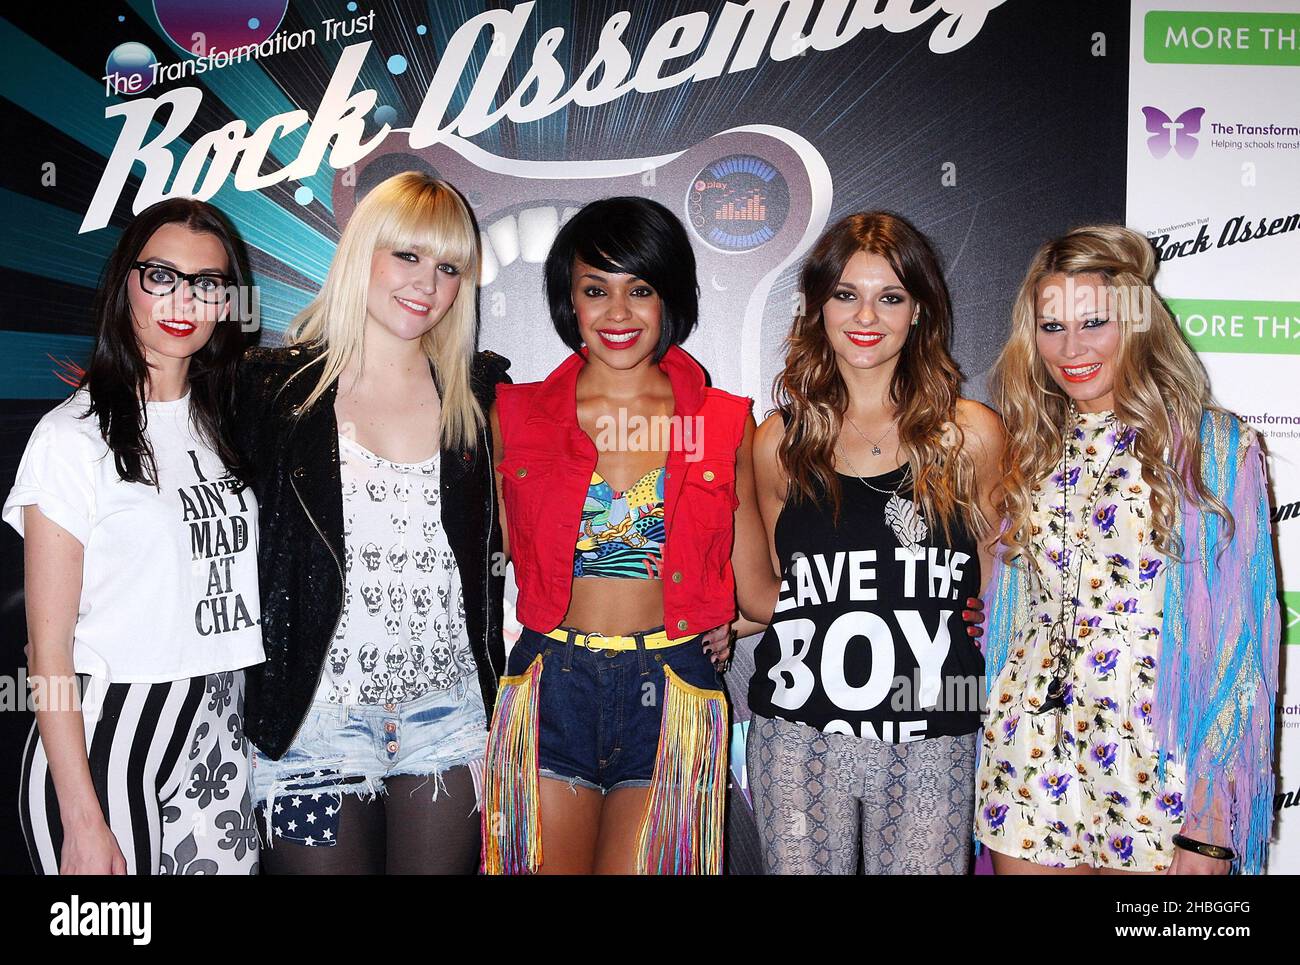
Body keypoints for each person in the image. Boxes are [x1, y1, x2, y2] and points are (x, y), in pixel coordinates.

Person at [482, 196, 778, 875]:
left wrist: (723, 619)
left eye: (639, 289)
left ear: (667, 295)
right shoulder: (515, 413)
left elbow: (759, 593)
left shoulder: (724, 421)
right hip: (551, 681)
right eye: (596, 289)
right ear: (570, 301)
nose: (618, 313)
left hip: (672, 688)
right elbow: (481, 557)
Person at [976, 224, 1279, 874]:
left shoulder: (1213, 450)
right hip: (1028, 759)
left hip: (1156, 772)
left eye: (1094, 322)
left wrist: (1208, 820)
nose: (1071, 347)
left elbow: (1238, 646)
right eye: (1051, 326)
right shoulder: (1027, 446)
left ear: (1138, 323)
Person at [234, 172, 511, 874]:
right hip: (310, 726)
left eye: (449, 267)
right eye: (408, 256)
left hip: (449, 723)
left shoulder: (480, 397)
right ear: (363, 253)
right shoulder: (271, 389)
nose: (427, 282)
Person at [6, 199, 263, 874]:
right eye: (161, 275)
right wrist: (82, 818)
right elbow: (48, 651)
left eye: (207, 283)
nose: (184, 299)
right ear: (126, 284)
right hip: (105, 740)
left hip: (218, 727)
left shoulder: (229, 426)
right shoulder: (70, 438)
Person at [745, 211, 1001, 874]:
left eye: (890, 296)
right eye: (846, 294)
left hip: (936, 728)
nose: (867, 315)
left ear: (919, 311)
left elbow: (1003, 588)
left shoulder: (971, 436)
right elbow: (777, 590)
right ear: (818, 308)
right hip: (799, 729)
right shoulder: (779, 440)